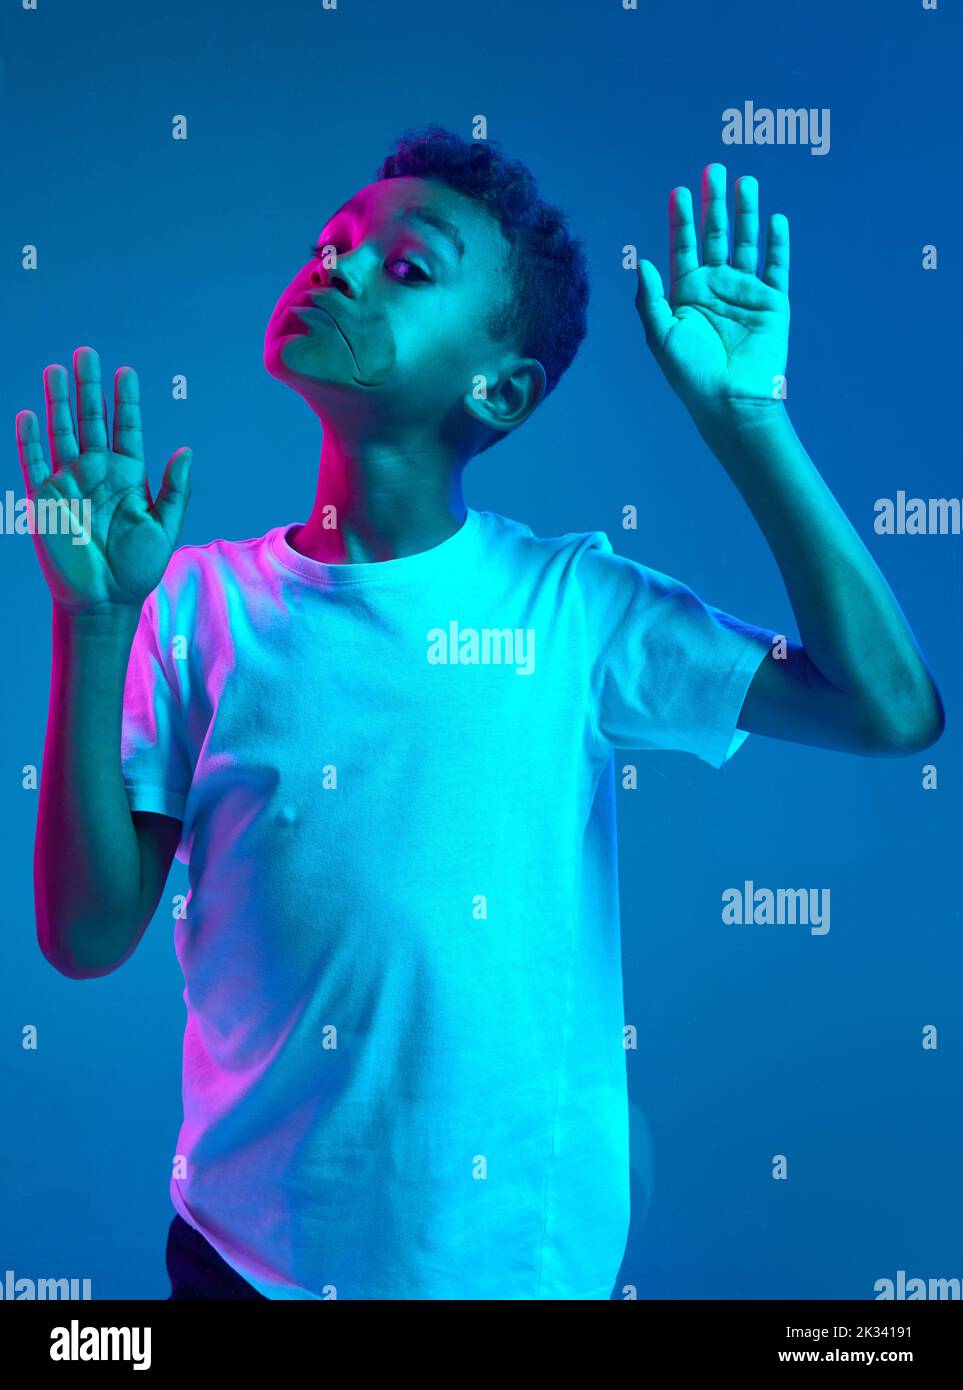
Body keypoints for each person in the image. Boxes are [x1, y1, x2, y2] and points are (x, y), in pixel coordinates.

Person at [17, 125, 943, 1301]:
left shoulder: (572, 609)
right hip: (243, 1265)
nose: (338, 267)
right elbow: (87, 936)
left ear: (499, 390)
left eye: (406, 266)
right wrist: (94, 620)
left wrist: (744, 419)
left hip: (517, 1271)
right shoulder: (198, 602)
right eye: (332, 244)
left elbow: (892, 709)